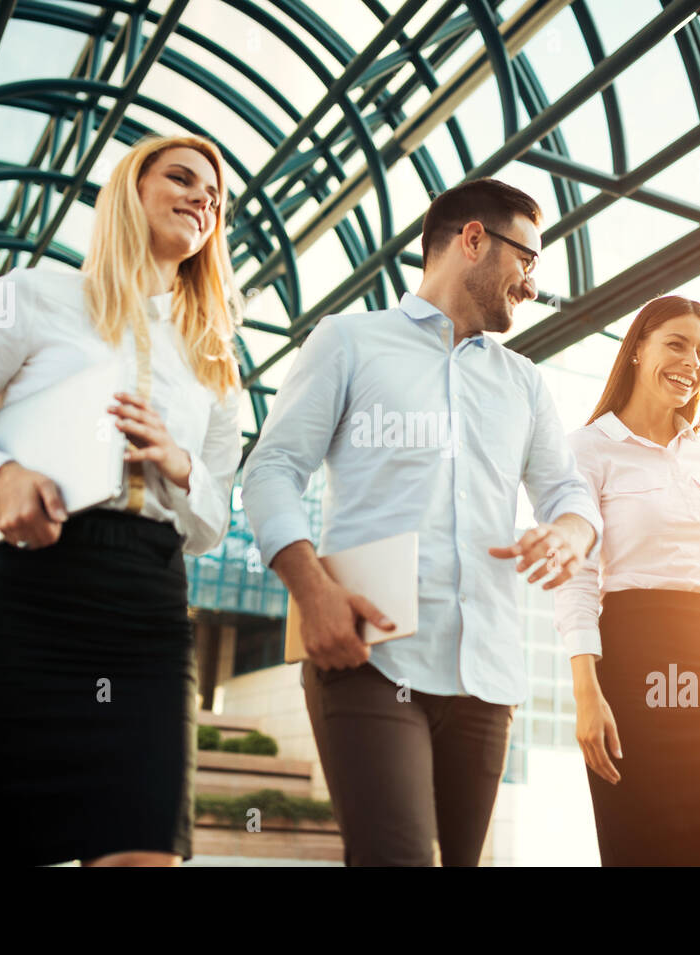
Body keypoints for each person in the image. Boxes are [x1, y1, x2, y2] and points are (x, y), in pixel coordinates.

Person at [0, 134, 243, 866]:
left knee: (143, 850)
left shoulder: (214, 358)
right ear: (130, 189)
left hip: (147, 610)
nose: (201, 201)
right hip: (28, 592)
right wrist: (1, 477)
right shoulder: (31, 295)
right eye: (181, 179)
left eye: (214, 198)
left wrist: (182, 466)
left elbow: (211, 526)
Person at [241, 178, 602, 867]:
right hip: (368, 653)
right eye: (527, 260)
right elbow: (271, 468)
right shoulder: (349, 342)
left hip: (486, 679)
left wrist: (569, 534)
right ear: (473, 239)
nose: (532, 285)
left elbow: (568, 492)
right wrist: (312, 592)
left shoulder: (523, 381)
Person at [553, 294, 700, 866]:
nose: (693, 363)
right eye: (677, 345)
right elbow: (576, 579)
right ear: (637, 350)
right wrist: (588, 695)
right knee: (650, 848)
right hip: (635, 666)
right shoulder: (587, 449)